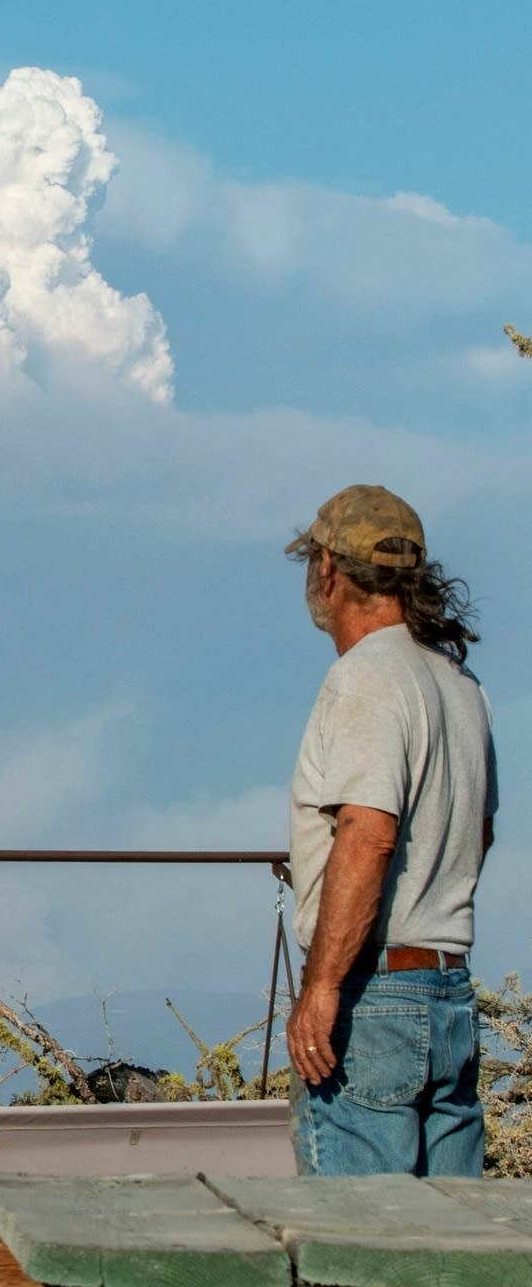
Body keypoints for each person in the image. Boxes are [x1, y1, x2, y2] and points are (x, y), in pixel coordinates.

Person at [282, 483, 493, 1176]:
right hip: (449, 993)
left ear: (329, 571)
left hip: (373, 996)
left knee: (361, 1249)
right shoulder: (460, 685)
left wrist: (321, 988)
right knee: (454, 1256)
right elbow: (478, 836)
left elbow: (367, 835)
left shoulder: (365, 678)